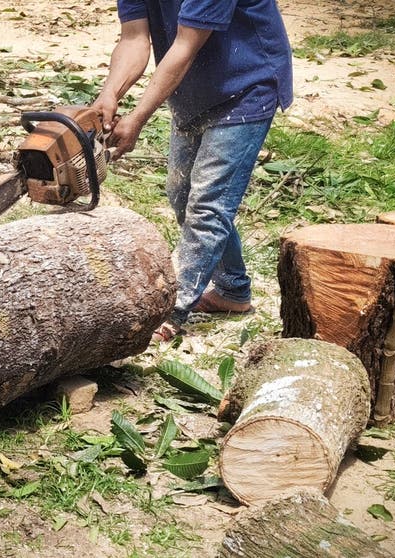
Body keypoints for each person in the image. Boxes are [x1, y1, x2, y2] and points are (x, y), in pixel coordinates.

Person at [91, 0, 293, 343]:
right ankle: (233, 290)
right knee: (181, 194)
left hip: (248, 84)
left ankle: (170, 311)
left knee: (208, 204)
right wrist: (109, 93)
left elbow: (186, 44)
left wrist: (137, 117)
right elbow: (134, 38)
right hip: (193, 87)